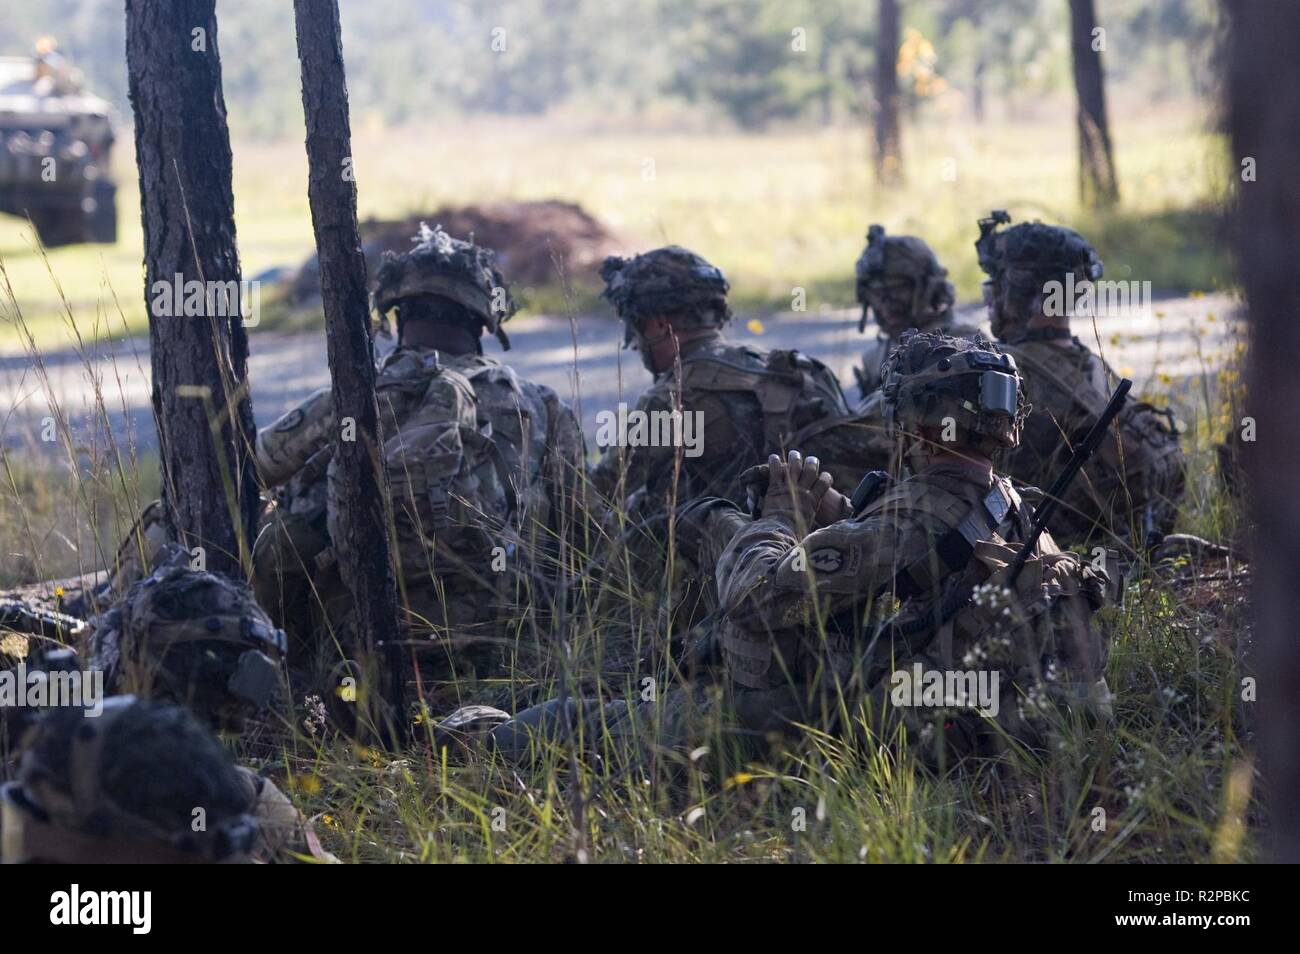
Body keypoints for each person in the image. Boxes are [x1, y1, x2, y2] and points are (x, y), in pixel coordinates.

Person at [477, 332, 1112, 765]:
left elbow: (757, 598)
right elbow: (922, 570)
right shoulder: (1006, 498)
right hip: (991, 713)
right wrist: (838, 520)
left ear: (914, 418)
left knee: (584, 726)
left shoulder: (917, 511)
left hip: (901, 723)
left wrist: (780, 515)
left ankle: (478, 741)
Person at [251, 225, 586, 690]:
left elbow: (253, 466)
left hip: (363, 638)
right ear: (482, 322)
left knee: (275, 530)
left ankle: (294, 682)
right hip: (509, 640)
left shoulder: (357, 394)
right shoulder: (542, 406)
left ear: (397, 314)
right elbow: (582, 534)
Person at [975, 211, 1185, 551]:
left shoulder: (1005, 372)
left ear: (1026, 294)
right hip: (1119, 544)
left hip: (1059, 551)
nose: (990, 301)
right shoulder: (1089, 361)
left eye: (996, 288)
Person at [852, 224, 979, 398]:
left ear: (929, 288)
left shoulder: (966, 345)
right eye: (876, 292)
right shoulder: (875, 358)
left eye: (897, 289)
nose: (886, 303)